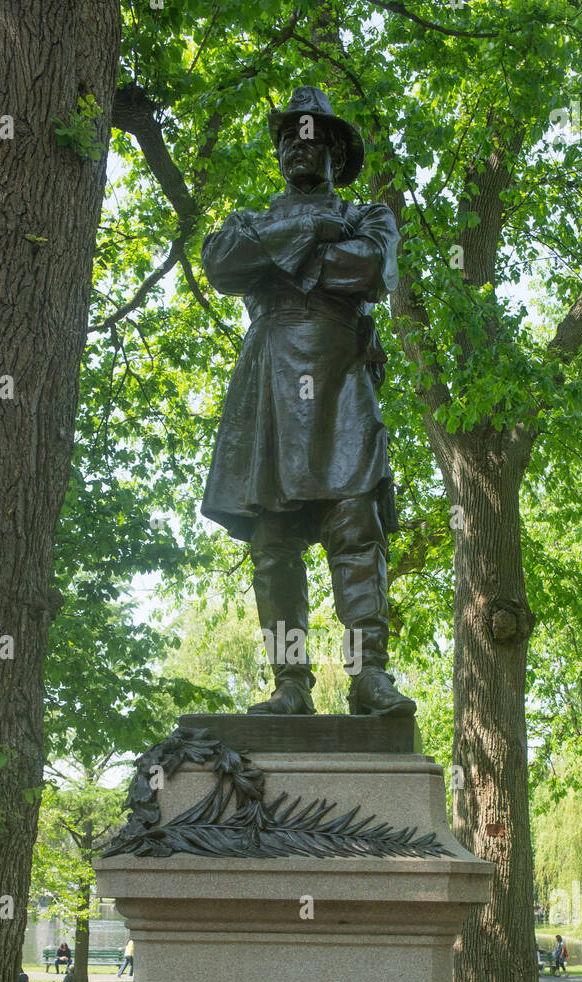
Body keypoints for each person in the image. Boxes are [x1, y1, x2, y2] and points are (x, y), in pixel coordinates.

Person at [200, 85, 415, 717]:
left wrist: (284, 258)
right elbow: (221, 262)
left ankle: (368, 674)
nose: (302, 142)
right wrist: (309, 231)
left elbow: (372, 269)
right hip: (269, 382)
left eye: (315, 134)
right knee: (274, 539)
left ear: (337, 151)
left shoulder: (370, 215)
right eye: (291, 133)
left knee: (355, 525)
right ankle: (289, 683)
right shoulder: (251, 220)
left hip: (342, 376)